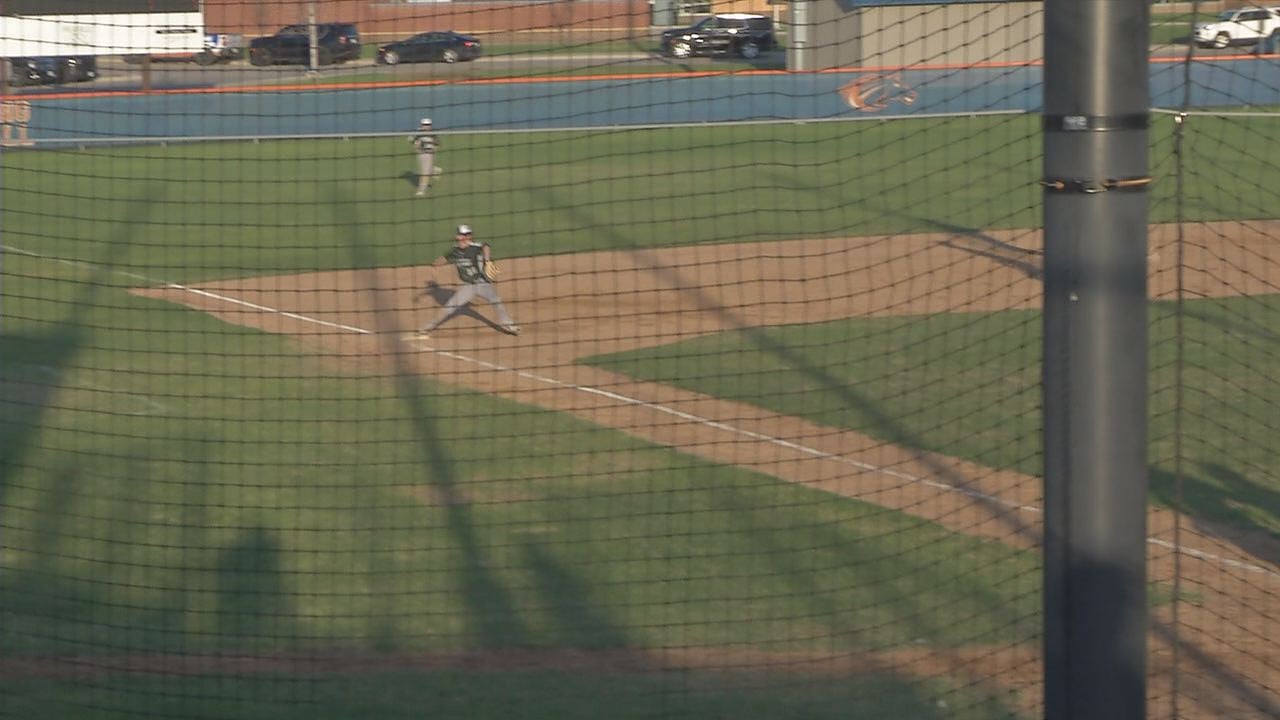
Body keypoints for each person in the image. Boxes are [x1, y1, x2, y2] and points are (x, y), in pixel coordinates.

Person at [415, 224, 520, 338]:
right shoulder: (455, 250)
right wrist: (434, 264)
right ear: (458, 236)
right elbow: (445, 258)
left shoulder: (474, 247)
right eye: (462, 235)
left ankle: (510, 326)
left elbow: (486, 246)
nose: (464, 237)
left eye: (466, 235)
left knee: (496, 301)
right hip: (468, 287)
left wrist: (487, 260)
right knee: (450, 307)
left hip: (482, 283)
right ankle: (427, 328)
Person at [410, 117, 438, 196]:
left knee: (424, 173)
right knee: (425, 171)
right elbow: (411, 140)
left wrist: (433, 151)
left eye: (428, 125)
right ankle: (434, 170)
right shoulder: (418, 132)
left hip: (430, 154)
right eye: (424, 125)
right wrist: (416, 146)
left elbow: (437, 144)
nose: (426, 126)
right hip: (421, 154)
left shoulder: (433, 134)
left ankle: (421, 190)